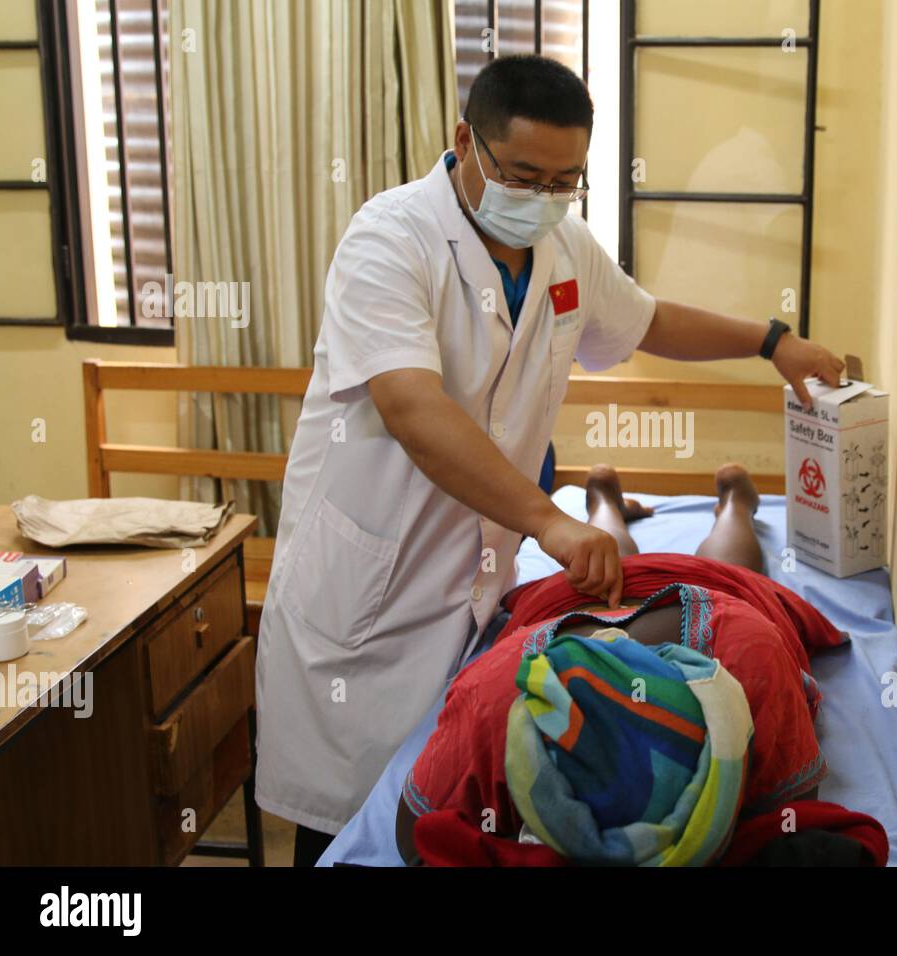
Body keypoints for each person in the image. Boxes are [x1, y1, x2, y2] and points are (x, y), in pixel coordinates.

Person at [256, 53, 848, 865]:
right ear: (465, 141)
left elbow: (647, 322)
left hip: (478, 591)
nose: (542, 199)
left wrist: (770, 341)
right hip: (366, 604)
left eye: (565, 181)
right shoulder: (389, 240)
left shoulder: (563, 248)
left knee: (456, 792)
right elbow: (413, 408)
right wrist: (551, 523)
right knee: (346, 831)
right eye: (523, 175)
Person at [394, 464, 890, 867]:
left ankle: (732, 501)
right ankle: (611, 499)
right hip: (589, 594)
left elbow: (418, 838)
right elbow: (415, 836)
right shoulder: (494, 699)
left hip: (694, 589)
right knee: (602, 561)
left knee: (637, 564)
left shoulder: (748, 658)